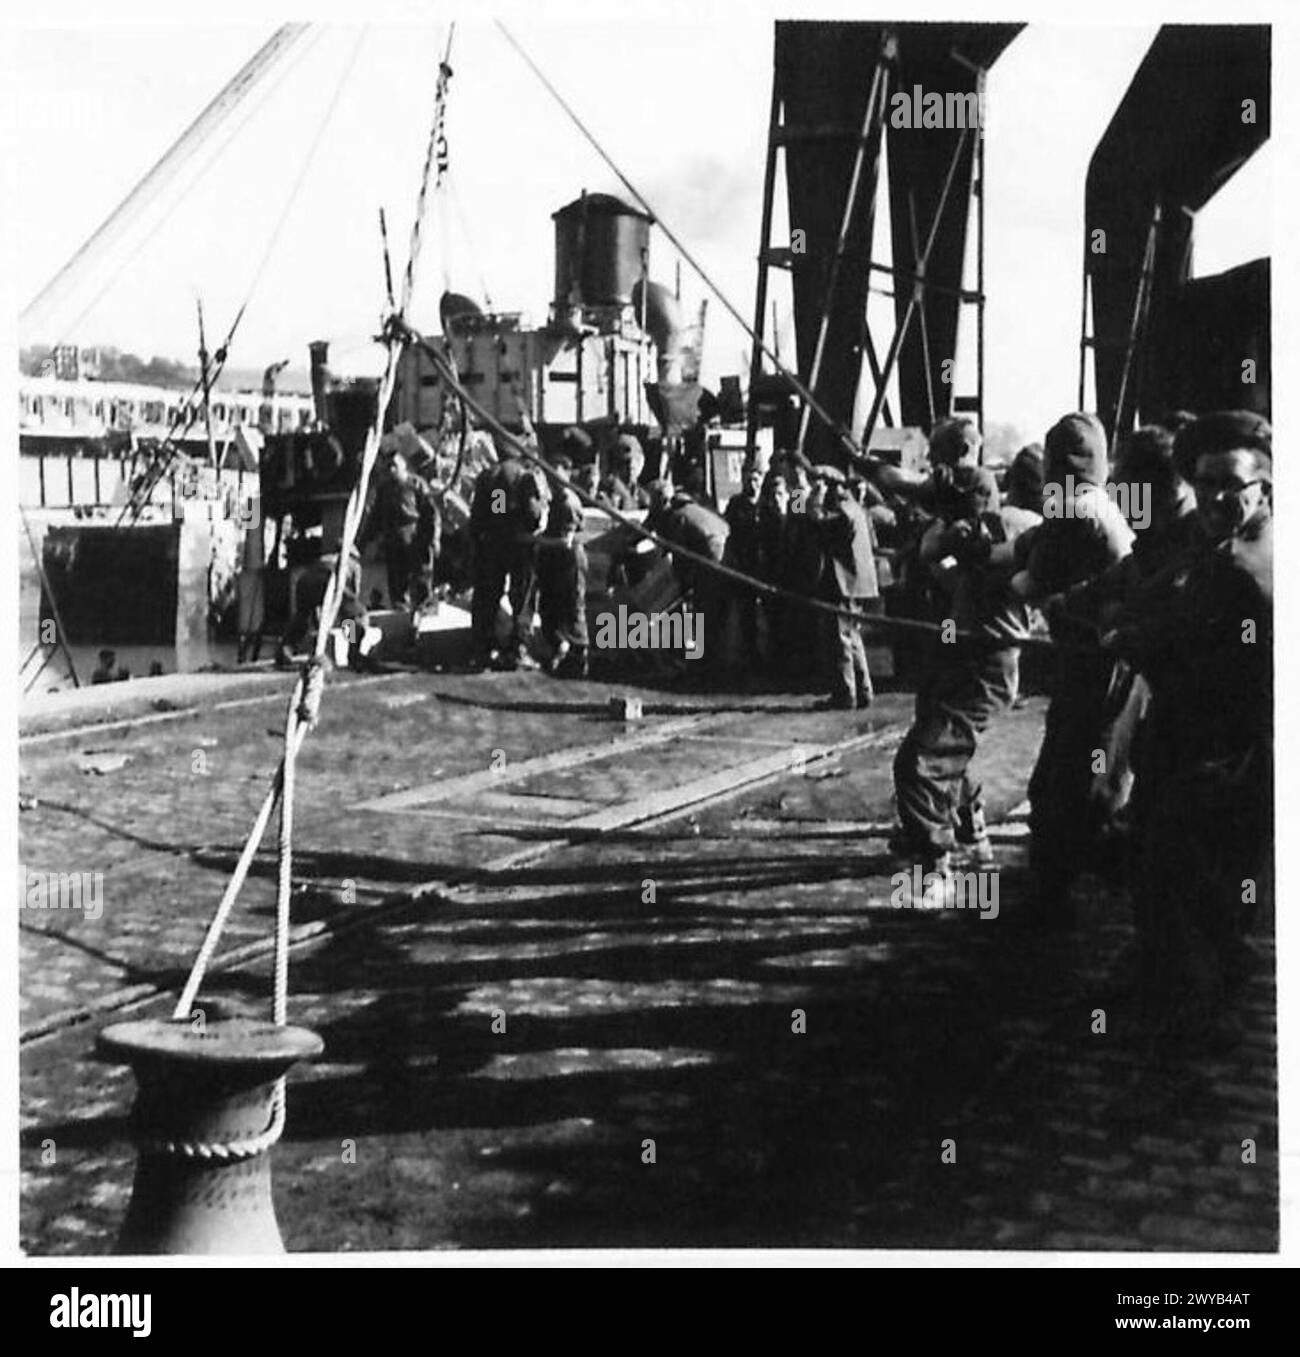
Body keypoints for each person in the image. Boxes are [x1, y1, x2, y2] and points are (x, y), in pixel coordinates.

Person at [1104, 411, 1272, 1047]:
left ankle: (1187, 1012)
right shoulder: (1217, 546)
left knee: (1186, 874)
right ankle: (1170, 971)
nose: (1216, 498)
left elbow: (1222, 664)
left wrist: (1136, 644)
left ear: (1265, 490)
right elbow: (1180, 613)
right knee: (1159, 860)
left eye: (1232, 486)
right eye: (1205, 485)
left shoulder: (1253, 569)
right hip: (1182, 737)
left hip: (1219, 751)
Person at [889, 465, 1038, 899]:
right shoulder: (971, 534)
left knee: (919, 762)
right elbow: (937, 558)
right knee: (950, 752)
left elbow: (947, 546)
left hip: (988, 666)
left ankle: (932, 867)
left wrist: (949, 537)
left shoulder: (1006, 529)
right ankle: (971, 834)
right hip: (960, 655)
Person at [1010, 411, 1135, 925]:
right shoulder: (1101, 505)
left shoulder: (1069, 515)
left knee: (1061, 784)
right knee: (1099, 773)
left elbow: (1027, 584)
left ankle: (1058, 896)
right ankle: (1097, 868)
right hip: (1116, 665)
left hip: (1089, 667)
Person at [469, 433, 547, 670]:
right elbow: (519, 512)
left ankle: (484, 647)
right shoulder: (518, 476)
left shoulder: (488, 475)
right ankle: (517, 648)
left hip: (491, 545)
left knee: (487, 596)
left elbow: (483, 515)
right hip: (517, 545)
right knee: (522, 598)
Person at [808, 465, 878, 710]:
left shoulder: (842, 512)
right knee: (853, 638)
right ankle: (864, 690)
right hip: (856, 585)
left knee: (840, 641)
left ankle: (845, 694)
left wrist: (813, 495)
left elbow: (814, 520)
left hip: (843, 584)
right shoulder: (857, 509)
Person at [360, 453, 440, 611]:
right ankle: (400, 608)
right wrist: (363, 542)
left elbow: (431, 513)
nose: (391, 469)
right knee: (397, 578)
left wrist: (434, 538)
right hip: (393, 537)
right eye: (388, 466)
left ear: (404, 466)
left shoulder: (416, 483)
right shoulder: (384, 488)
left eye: (395, 465)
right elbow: (375, 517)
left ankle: (424, 606)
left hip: (415, 534)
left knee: (421, 575)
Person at [536, 449, 590, 678]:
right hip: (556, 561)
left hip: (569, 562)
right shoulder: (556, 499)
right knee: (550, 607)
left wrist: (535, 540)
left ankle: (579, 655)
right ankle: (561, 648)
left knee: (572, 607)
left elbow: (566, 541)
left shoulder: (568, 502)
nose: (552, 481)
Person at [720, 460, 764, 674]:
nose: (752, 483)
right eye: (748, 478)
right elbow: (728, 532)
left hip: (766, 564)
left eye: (756, 479)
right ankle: (749, 655)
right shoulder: (735, 504)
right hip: (743, 563)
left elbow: (793, 519)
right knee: (745, 613)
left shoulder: (768, 502)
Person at [598, 433, 650, 511]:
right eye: (624, 464)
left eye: (636, 463)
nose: (630, 469)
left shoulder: (644, 498)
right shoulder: (603, 497)